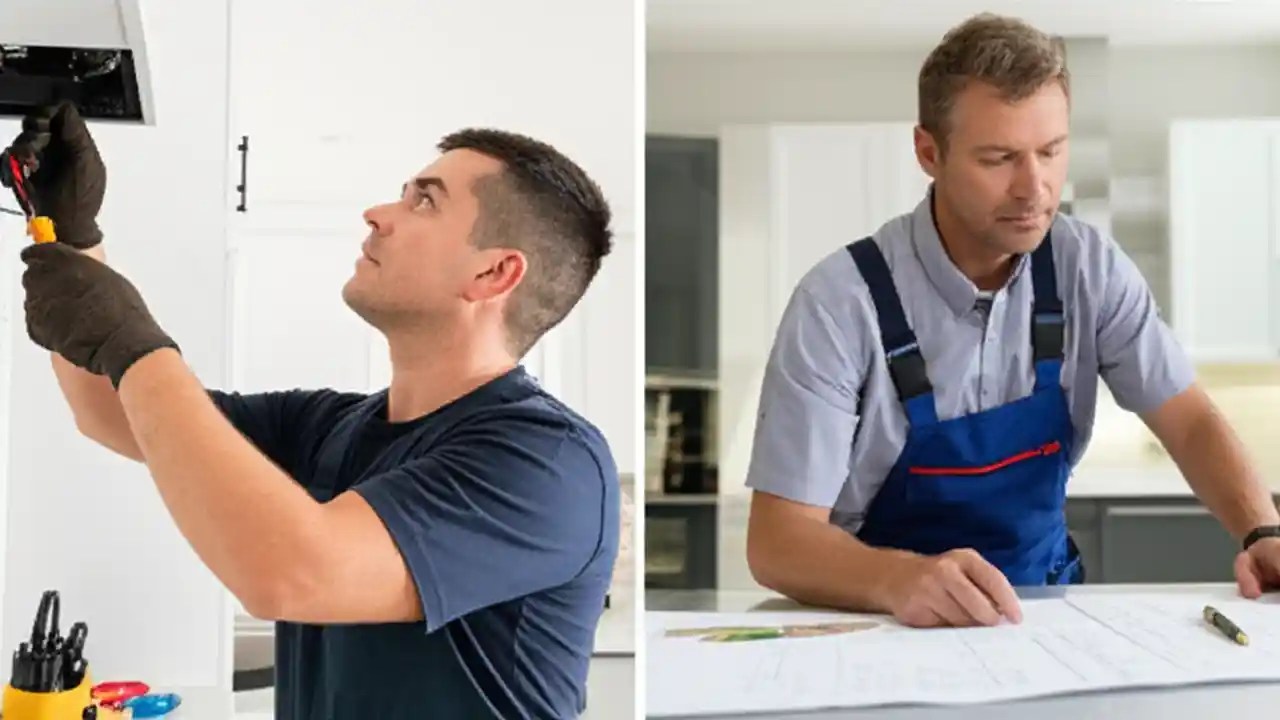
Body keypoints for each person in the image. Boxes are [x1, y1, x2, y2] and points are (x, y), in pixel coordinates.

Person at [10, 103, 619, 719]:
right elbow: (113, 412)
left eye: (425, 203)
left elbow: (290, 574)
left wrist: (138, 346)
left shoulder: (546, 462)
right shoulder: (333, 427)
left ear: (493, 272)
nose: (378, 215)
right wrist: (66, 229)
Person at [743, 13, 1280, 630]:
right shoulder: (839, 302)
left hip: (1041, 616)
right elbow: (778, 542)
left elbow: (1188, 421)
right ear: (929, 152)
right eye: (998, 158)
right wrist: (898, 579)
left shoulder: (1089, 268)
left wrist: (1261, 530)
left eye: (1051, 152)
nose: (1035, 188)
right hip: (884, 624)